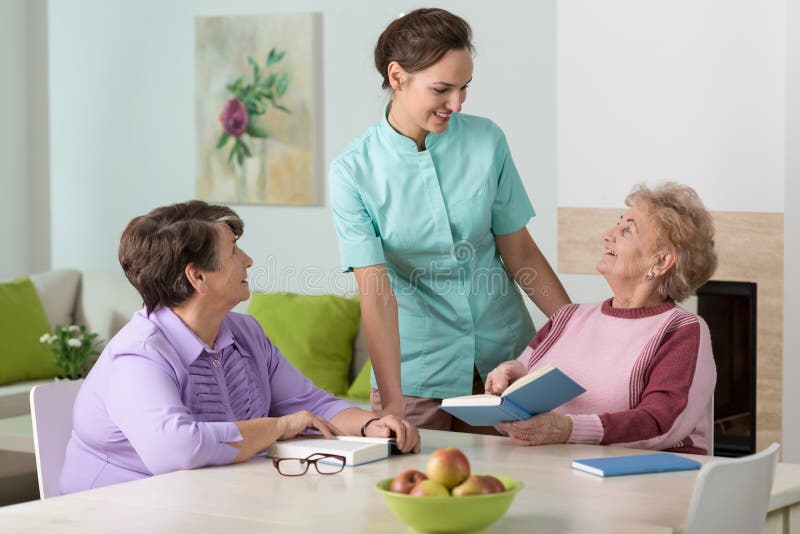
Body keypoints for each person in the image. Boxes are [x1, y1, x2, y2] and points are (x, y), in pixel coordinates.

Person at [60, 201, 420, 494]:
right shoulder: (139, 355)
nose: (247, 260)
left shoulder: (245, 333)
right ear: (197, 276)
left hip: (212, 501)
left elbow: (313, 406)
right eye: (233, 251)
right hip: (115, 514)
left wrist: (372, 426)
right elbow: (177, 449)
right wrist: (277, 427)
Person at [329, 8, 570, 432]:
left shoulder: (487, 141)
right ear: (397, 76)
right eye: (442, 89)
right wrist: (392, 403)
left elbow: (520, 251)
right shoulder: (353, 172)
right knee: (412, 471)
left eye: (464, 88)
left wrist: (574, 332)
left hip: (503, 362)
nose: (456, 104)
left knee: (519, 472)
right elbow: (376, 294)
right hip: (415, 374)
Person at [485, 183, 718, 454]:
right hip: (559, 468)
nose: (608, 235)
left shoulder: (680, 330)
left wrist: (569, 429)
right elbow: (512, 414)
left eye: (627, 230)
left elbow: (661, 422)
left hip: (652, 474)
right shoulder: (568, 317)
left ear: (661, 261)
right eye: (617, 225)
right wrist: (507, 379)